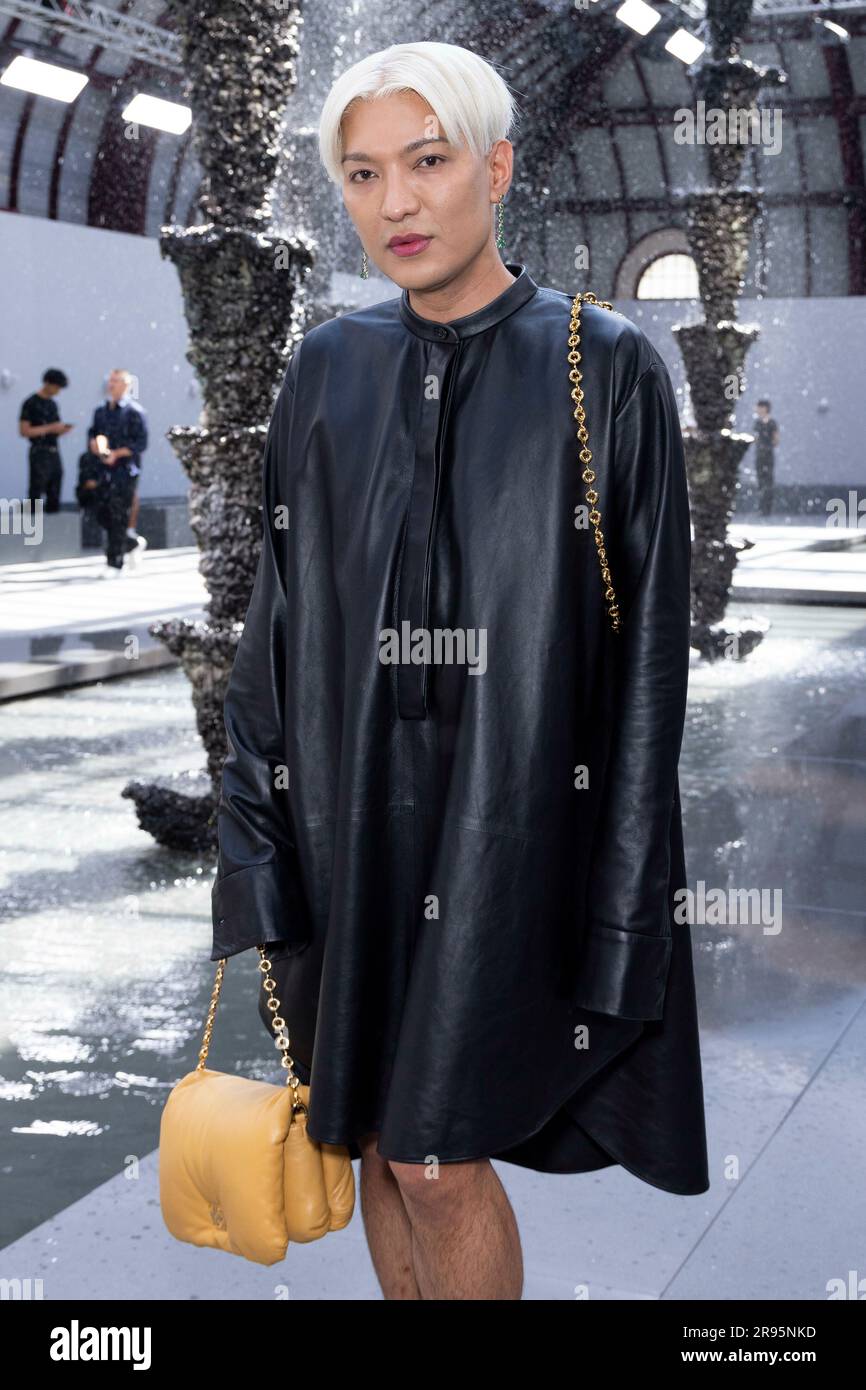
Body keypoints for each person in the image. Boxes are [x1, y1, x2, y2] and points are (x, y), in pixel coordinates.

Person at [209, 41, 709, 1300]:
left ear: (491, 168)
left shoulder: (608, 368)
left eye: (426, 163)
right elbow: (270, 634)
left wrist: (627, 907)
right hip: (346, 828)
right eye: (364, 174)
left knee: (436, 1157)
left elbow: (648, 665)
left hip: (513, 829)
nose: (396, 204)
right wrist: (253, 853)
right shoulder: (323, 370)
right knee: (371, 1137)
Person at [82, 369, 148, 576]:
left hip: (125, 471)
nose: (111, 384)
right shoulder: (100, 411)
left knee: (119, 514)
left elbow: (140, 443)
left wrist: (117, 454)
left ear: (126, 385)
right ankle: (130, 543)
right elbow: (94, 433)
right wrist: (96, 445)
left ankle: (114, 563)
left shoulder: (134, 411)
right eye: (110, 380)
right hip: (103, 470)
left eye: (116, 381)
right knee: (103, 512)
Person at [19, 369, 73, 513]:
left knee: (55, 485)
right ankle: (32, 522)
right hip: (38, 450)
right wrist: (49, 428)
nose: (58, 391)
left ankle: (53, 518)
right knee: (37, 487)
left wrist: (60, 430)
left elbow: (54, 427)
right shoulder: (30, 403)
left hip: (53, 449)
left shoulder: (52, 405)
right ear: (48, 383)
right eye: (56, 387)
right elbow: (24, 431)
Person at [752, 398, 780, 517]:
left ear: (765, 408)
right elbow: (755, 438)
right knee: (760, 481)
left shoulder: (772, 423)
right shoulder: (757, 423)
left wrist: (767, 445)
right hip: (760, 455)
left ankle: (767, 508)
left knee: (768, 481)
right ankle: (761, 507)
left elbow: (776, 439)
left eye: (760, 407)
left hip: (768, 455)